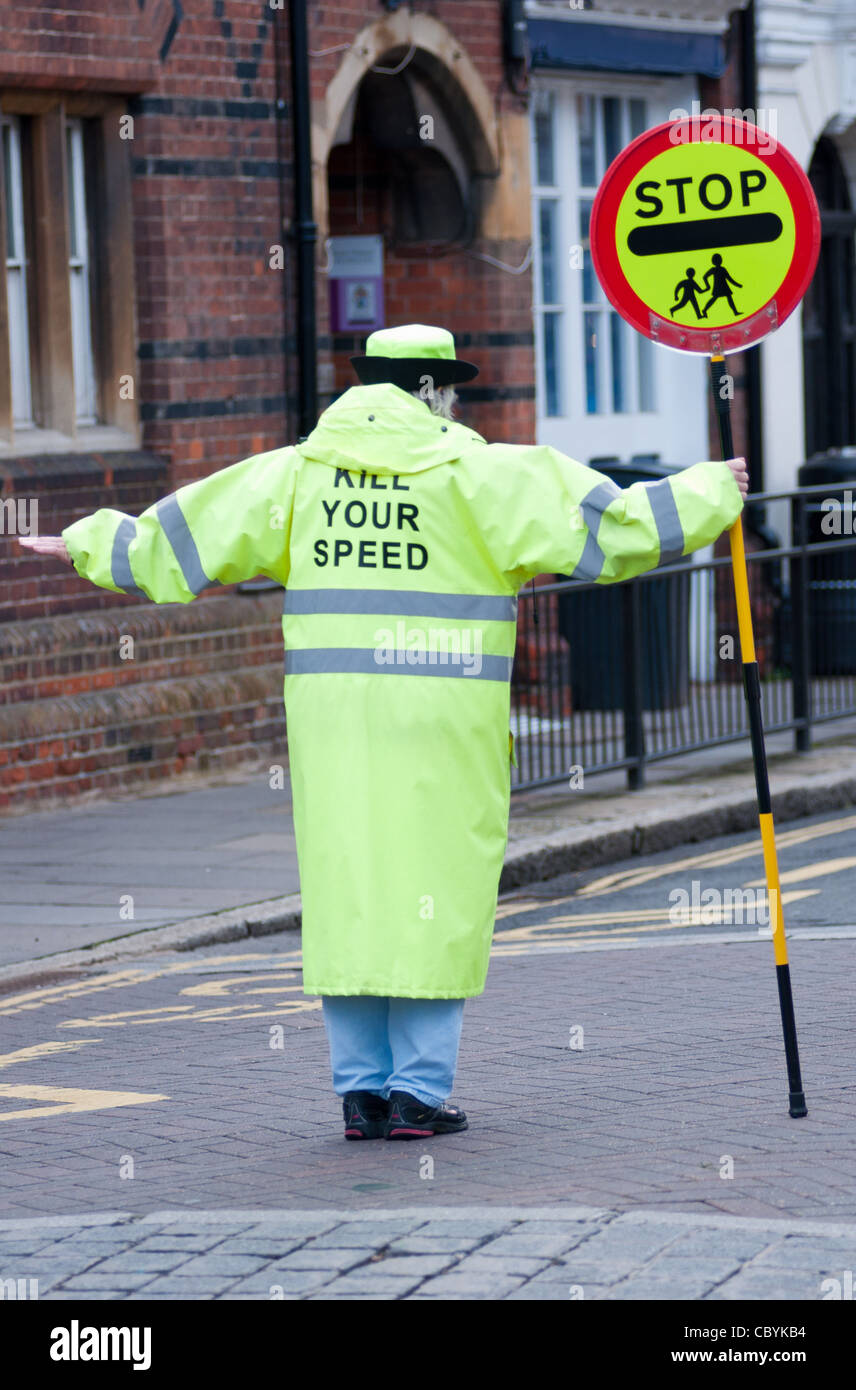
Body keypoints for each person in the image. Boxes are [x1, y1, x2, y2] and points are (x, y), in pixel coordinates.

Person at [21, 324, 749, 1142]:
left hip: (336, 729)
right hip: (445, 727)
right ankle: (419, 1096)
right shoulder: (483, 474)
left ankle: (361, 1093)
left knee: (350, 894)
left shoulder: (297, 474)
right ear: (435, 389)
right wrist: (712, 489)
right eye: (453, 388)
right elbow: (614, 528)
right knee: (436, 897)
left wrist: (85, 543)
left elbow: (184, 538)